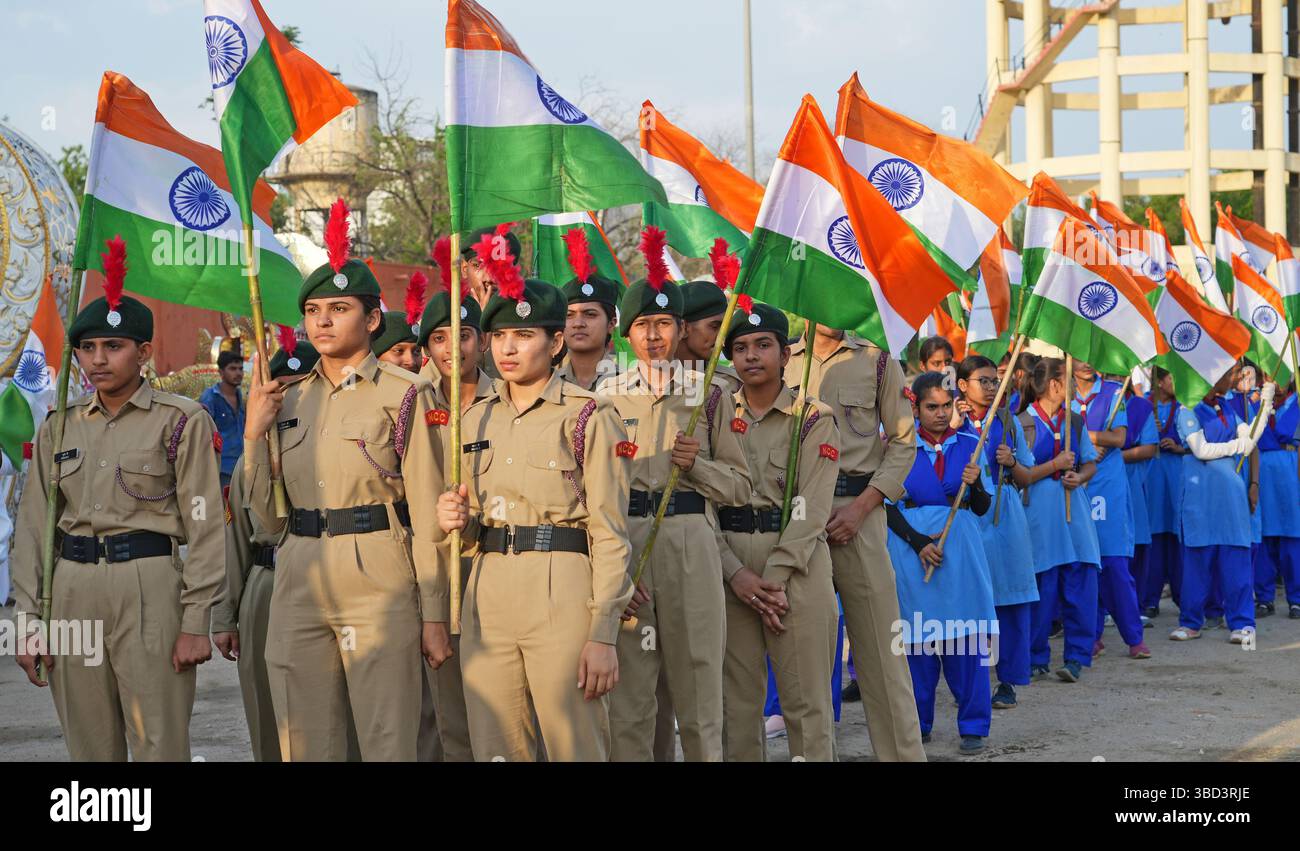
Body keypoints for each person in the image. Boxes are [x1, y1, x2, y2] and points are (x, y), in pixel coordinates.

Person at [242, 201, 450, 761]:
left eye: (339, 308)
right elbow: (265, 515)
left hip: (378, 567)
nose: (323, 321)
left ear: (373, 319)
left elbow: (428, 512)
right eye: (312, 310)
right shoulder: (286, 398)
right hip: (299, 570)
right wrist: (253, 434)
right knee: (304, 740)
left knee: (386, 738)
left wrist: (435, 615)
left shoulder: (407, 393)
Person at [13, 238, 223, 760]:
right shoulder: (59, 426)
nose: (98, 359)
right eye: (87, 348)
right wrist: (26, 621)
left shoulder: (181, 421)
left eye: (114, 347)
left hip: (149, 589)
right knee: (89, 744)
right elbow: (35, 526)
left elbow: (205, 526)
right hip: (72, 589)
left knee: (159, 739)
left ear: (144, 352)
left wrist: (197, 621)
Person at [434, 272, 635, 761]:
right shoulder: (474, 417)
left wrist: (603, 633)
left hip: (562, 586)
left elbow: (610, 533)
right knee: (496, 744)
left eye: (524, 335)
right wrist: (459, 521)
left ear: (556, 341)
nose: (508, 348)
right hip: (489, 589)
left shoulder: (588, 415)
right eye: (499, 336)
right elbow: (474, 527)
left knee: (575, 742)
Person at [600, 234, 751, 762]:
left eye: (664, 324)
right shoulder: (603, 401)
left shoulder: (710, 394)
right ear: (626, 334)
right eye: (642, 325)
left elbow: (740, 485)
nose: (654, 335)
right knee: (631, 700)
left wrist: (698, 465)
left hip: (692, 543)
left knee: (700, 682)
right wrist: (617, 568)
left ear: (680, 329)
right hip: (629, 544)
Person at [786, 324, 926, 762]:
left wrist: (861, 508)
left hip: (858, 514)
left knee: (884, 657)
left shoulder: (878, 361)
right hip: (795, 519)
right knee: (806, 659)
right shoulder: (781, 357)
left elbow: (904, 444)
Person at [714, 302, 840, 761]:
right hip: (729, 571)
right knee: (738, 707)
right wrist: (735, 574)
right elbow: (703, 505)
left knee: (806, 705)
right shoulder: (713, 416)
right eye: (740, 347)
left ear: (786, 354)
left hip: (797, 572)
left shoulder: (813, 417)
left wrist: (776, 580)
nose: (751, 356)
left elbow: (813, 508)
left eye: (764, 345)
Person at [212, 339, 320, 762]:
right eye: (281, 388)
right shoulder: (249, 459)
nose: (289, 398)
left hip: (319, 581)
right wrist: (225, 616)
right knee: (265, 709)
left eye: (301, 387)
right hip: (266, 586)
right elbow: (235, 537)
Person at [886, 372, 997, 754]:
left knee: (966, 639)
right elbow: (884, 507)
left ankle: (973, 725)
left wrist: (977, 483)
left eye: (945, 406)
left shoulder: (971, 442)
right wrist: (918, 543)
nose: (939, 413)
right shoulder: (898, 447)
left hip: (961, 552)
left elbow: (983, 508)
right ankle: (919, 722)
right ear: (915, 407)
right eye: (931, 406)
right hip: (910, 551)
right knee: (916, 641)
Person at [414, 256, 494, 762]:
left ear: (481, 341)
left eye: (463, 335)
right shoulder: (412, 404)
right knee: (451, 722)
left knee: (512, 715)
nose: (452, 347)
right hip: (438, 571)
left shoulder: (508, 399)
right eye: (439, 338)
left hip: (501, 566)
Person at [955, 355, 1038, 710]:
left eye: (994, 381)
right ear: (962, 384)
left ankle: (1008, 680)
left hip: (1005, 517)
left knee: (1011, 597)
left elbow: (1028, 476)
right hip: (965, 519)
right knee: (969, 599)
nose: (991, 388)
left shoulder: (1007, 421)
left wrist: (1012, 462)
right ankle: (968, 682)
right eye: (983, 381)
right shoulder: (950, 419)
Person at [1170, 368, 1274, 644]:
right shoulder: (1187, 409)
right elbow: (1201, 450)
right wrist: (1236, 446)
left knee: (1236, 556)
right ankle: (1191, 621)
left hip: (1230, 495)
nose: (1233, 379)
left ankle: (1242, 623)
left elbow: (1250, 440)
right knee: (1197, 558)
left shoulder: (1227, 407)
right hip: (1199, 494)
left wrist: (1265, 405)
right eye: (1228, 375)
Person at [1019, 357, 1100, 683]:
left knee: (1080, 584)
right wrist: (1055, 465)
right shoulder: (1022, 422)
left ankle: (1077, 656)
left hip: (1074, 516)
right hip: (1039, 518)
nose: (1070, 386)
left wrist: (1079, 477)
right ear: (1054, 385)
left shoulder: (1075, 422)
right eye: (1066, 380)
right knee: (1041, 588)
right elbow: (1019, 476)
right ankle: (1036, 656)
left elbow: (1090, 464)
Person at [1072, 361, 1150, 660]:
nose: (1085, 361)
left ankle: (1134, 637)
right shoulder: (1062, 393)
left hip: (1107, 486)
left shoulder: (1114, 392)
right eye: (1078, 354)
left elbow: (1118, 438)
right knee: (1083, 564)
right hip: (1076, 483)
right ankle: (1090, 635)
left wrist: (1089, 438)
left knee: (1114, 562)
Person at [1252, 380, 1300, 619]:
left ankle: (1297, 599)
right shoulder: (1257, 404)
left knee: (1293, 538)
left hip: (1291, 471)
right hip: (1263, 471)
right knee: (1264, 536)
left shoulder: (1297, 403)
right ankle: (1264, 598)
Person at [1142, 367, 1185, 616]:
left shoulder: (1185, 405)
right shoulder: (1144, 405)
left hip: (1176, 473)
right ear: (1159, 382)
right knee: (1154, 537)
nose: (1175, 383)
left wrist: (1178, 446)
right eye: (1171, 378)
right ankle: (1150, 599)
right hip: (1153, 474)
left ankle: (1183, 597)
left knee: (1177, 535)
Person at [557, 228, 621, 391]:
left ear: (611, 323)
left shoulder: (630, 386)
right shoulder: (547, 386)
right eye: (569, 315)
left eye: (590, 314)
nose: (578, 323)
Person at [1119, 381, 1159, 628]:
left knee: (1138, 544)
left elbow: (1149, 448)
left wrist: (1114, 453)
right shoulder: (1092, 406)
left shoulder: (1140, 407)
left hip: (1133, 483)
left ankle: (1136, 605)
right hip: (1098, 483)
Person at [677, 280, 741, 395]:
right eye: (714, 326)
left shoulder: (734, 384)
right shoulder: (652, 380)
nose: (722, 336)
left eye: (724, 328)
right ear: (684, 328)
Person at [201, 348, 246, 488]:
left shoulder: (241, 396)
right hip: (221, 469)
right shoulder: (210, 398)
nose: (238, 373)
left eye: (240, 369)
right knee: (225, 509)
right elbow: (203, 434)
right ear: (221, 372)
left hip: (242, 466)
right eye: (232, 369)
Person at [372, 271, 427, 374]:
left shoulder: (425, 389)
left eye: (417, 351)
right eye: (398, 351)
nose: (411, 362)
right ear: (376, 355)